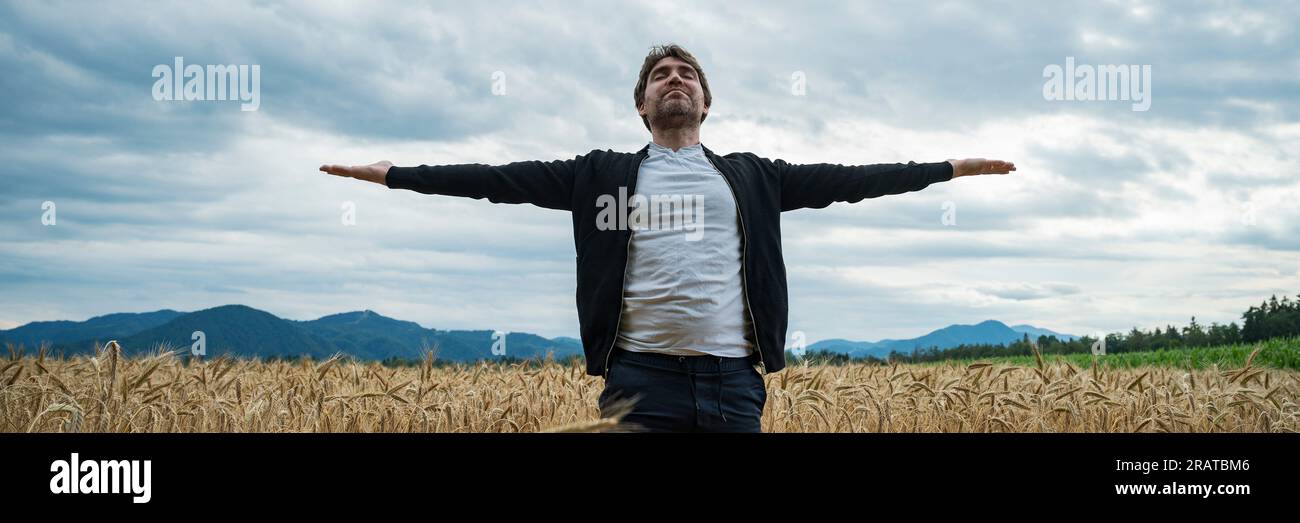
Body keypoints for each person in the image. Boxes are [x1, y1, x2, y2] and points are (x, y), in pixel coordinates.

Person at [320, 44, 1015, 433]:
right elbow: (496, 177)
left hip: (734, 385)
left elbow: (854, 177)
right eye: (661, 75)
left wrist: (947, 168)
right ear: (642, 104)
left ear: (706, 103)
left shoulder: (753, 176)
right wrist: (394, 174)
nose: (674, 80)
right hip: (641, 382)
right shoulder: (601, 174)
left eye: (687, 74)